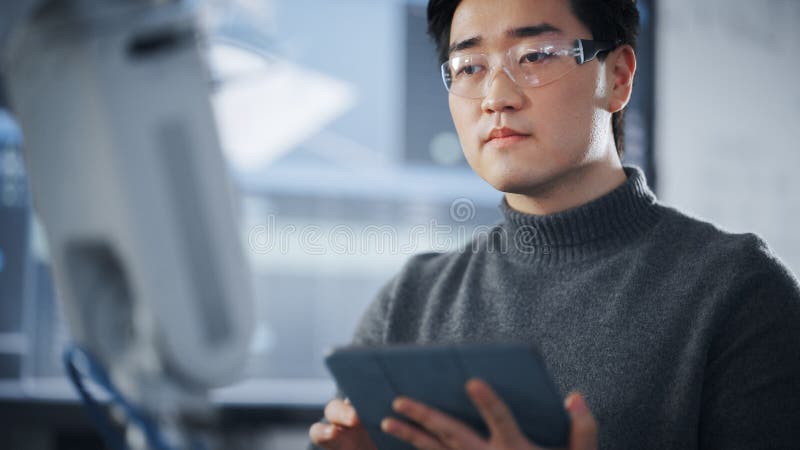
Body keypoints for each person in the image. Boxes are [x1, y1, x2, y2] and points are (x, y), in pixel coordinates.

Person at [309, 0, 800, 448]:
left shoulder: (736, 289)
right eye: (470, 67)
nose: (496, 97)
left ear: (618, 77)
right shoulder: (411, 300)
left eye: (537, 55)